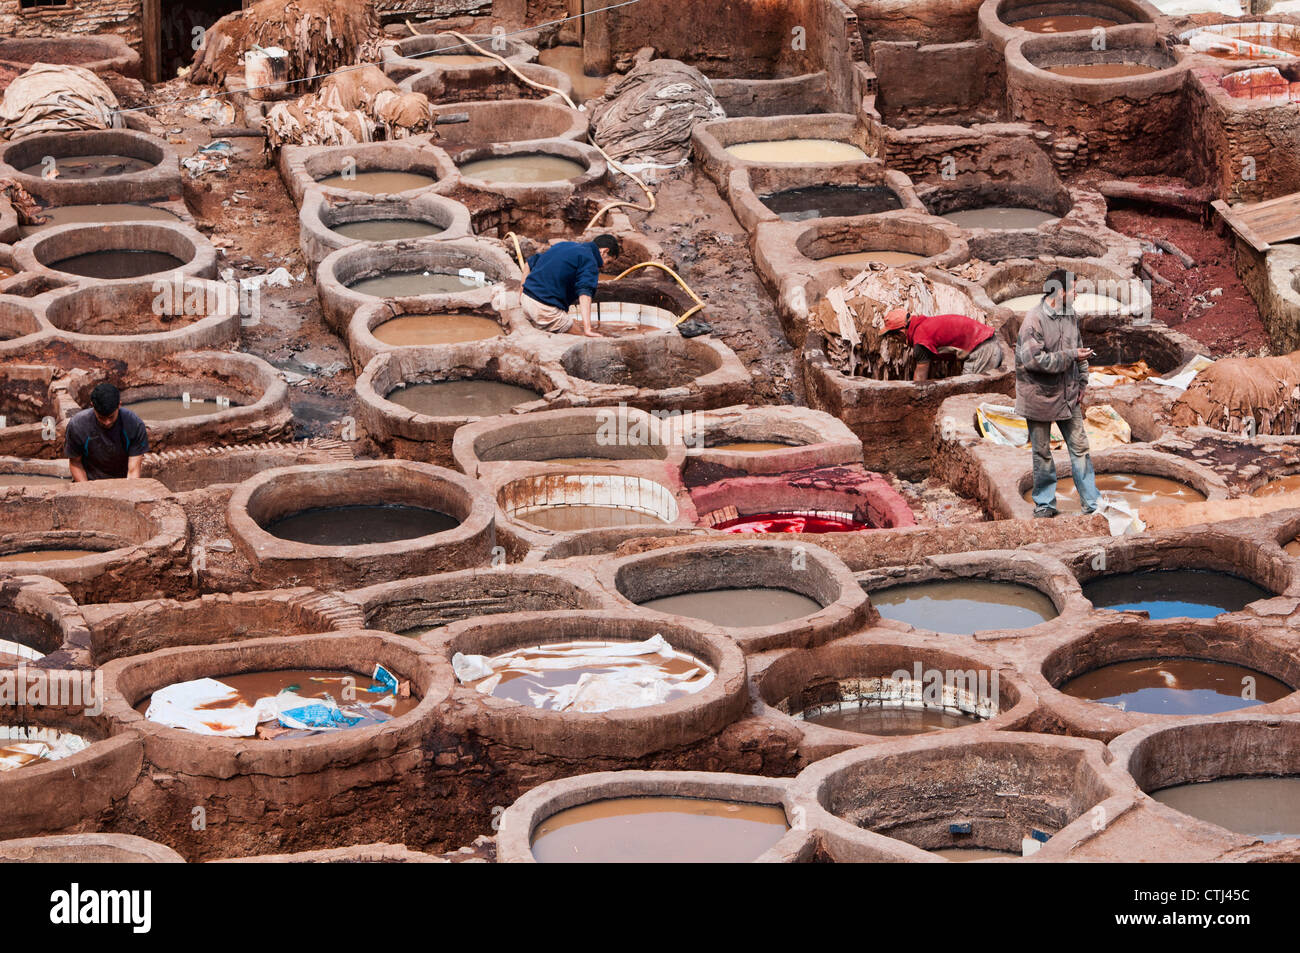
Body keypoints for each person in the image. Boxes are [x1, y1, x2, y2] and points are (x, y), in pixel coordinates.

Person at [1015, 268, 1100, 518]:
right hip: (1039, 398)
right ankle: (1045, 503)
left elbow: (1080, 349)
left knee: (1080, 448)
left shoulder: (1070, 314)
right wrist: (1070, 357)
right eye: (1073, 289)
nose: (1076, 294)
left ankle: (1091, 503)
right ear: (1060, 292)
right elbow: (1035, 361)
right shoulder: (1034, 320)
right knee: (1042, 452)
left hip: (1069, 395)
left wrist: (1082, 382)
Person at [520, 234, 621, 337]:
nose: (604, 266)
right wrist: (587, 329)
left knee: (570, 323)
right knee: (583, 338)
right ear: (604, 251)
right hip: (544, 309)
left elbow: (529, 263)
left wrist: (521, 293)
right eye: (608, 262)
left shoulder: (564, 245)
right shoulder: (590, 260)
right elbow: (585, 294)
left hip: (526, 301)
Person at [879, 307, 1004, 381]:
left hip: (982, 351)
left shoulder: (921, 341)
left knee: (967, 395)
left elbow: (920, 379)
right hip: (987, 342)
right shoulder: (924, 326)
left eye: (893, 336)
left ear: (900, 332)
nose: (895, 340)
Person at [65, 382, 148, 482]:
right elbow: (75, 463)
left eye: (111, 417)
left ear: (119, 405)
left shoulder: (134, 425)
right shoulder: (77, 426)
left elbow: (133, 471)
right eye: (101, 418)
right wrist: (87, 491)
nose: (107, 422)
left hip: (122, 481)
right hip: (90, 480)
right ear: (92, 406)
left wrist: (128, 492)